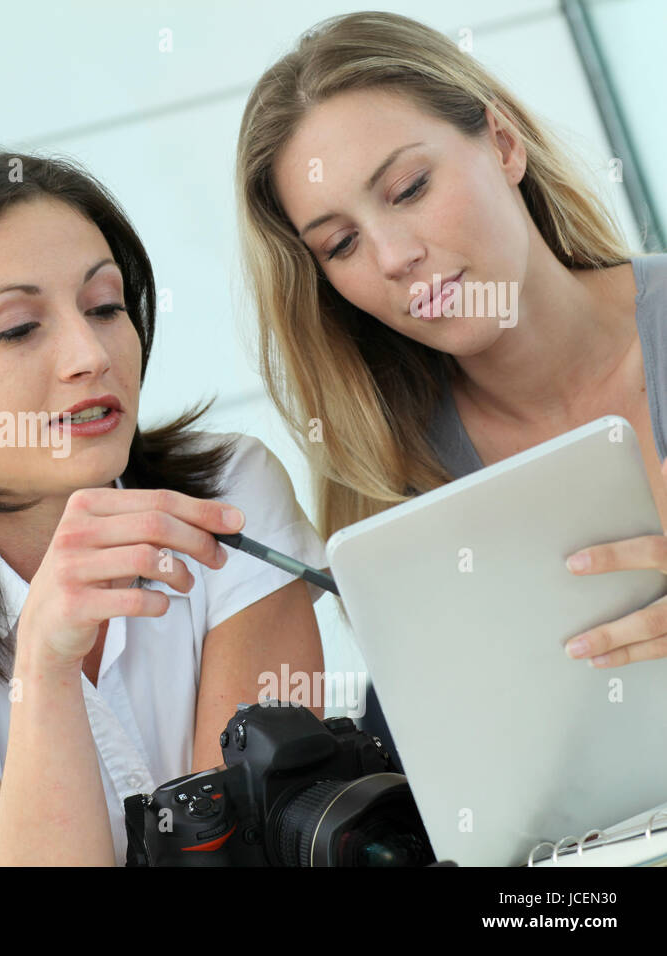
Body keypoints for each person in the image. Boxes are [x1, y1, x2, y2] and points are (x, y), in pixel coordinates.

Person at [0, 148, 329, 866]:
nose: (90, 353)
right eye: (20, 328)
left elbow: (250, 846)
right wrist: (46, 663)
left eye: (105, 306)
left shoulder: (228, 495)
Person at [235, 10, 667, 671]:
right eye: (341, 244)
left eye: (409, 189)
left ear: (502, 143)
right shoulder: (391, 483)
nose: (393, 256)